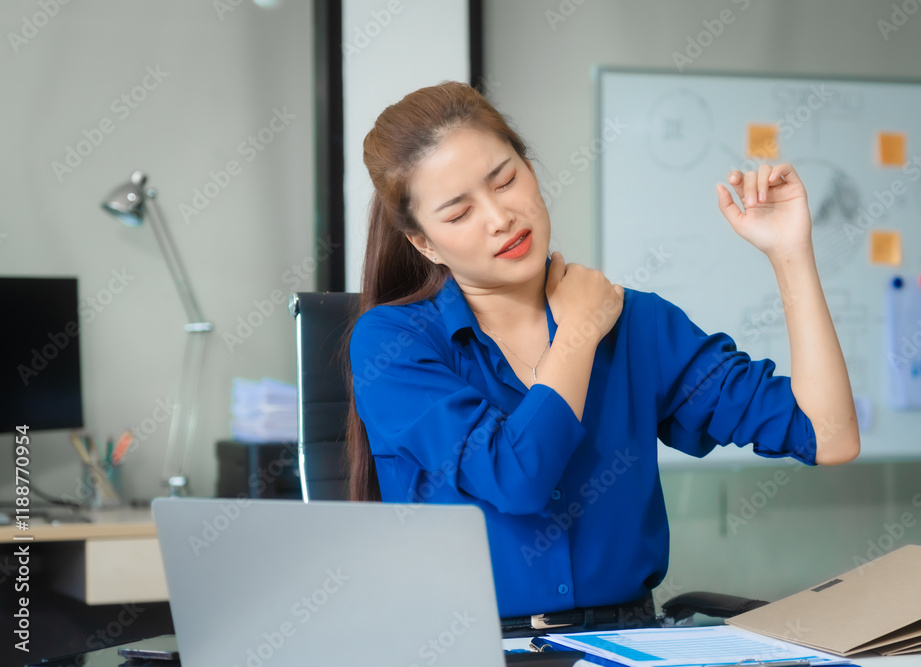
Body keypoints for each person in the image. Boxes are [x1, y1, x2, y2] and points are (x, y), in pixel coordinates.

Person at [346, 81, 860, 635]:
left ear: (530, 168)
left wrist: (790, 252)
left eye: (506, 180)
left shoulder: (637, 322)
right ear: (424, 243)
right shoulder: (393, 344)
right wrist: (579, 333)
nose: (499, 217)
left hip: (626, 646)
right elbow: (516, 477)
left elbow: (828, 436)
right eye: (459, 213)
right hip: (469, 649)